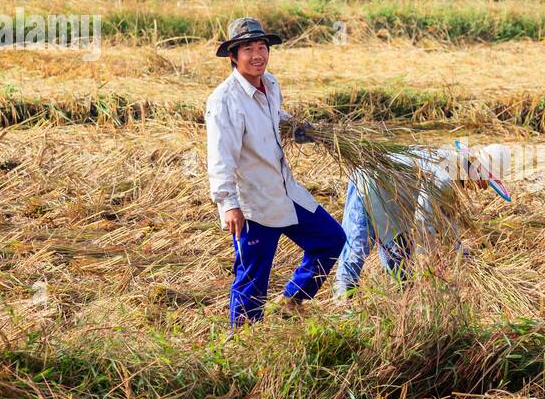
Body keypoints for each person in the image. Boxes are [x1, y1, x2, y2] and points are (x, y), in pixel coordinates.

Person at [206, 17, 346, 324]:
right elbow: (220, 157)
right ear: (233, 56)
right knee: (253, 280)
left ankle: (292, 301)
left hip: (284, 189)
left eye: (262, 47)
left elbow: (276, 117)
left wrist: (301, 128)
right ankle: (242, 340)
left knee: (332, 239)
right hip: (253, 202)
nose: (257, 55)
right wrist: (228, 204)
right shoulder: (224, 101)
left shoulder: (270, 83)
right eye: (248, 49)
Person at [334, 145, 502, 299]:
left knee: (397, 257)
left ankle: (399, 302)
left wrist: (458, 249)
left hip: (388, 193)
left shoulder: (452, 163)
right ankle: (342, 300)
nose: (482, 187)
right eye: (484, 181)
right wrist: (429, 258)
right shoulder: (446, 177)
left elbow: (445, 217)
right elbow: (424, 220)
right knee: (359, 243)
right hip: (373, 183)